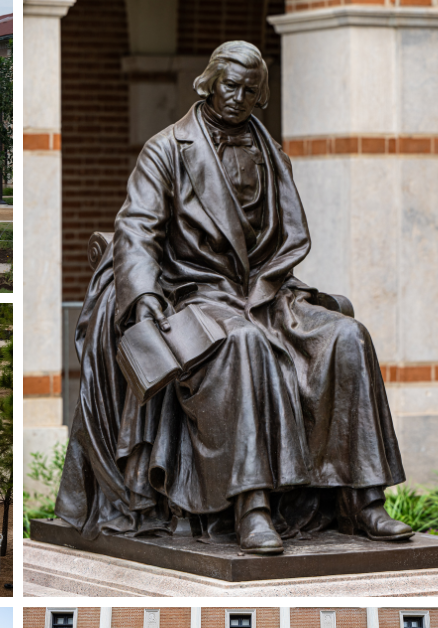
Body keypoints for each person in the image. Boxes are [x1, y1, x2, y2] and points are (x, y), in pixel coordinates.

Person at [57, 40, 410, 554]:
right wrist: (143, 299)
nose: (237, 97)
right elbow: (136, 231)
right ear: (208, 81)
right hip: (199, 296)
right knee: (243, 344)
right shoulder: (167, 149)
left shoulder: (271, 152)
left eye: (250, 89)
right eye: (230, 85)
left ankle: (363, 501)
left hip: (269, 293)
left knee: (347, 336)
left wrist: (283, 291)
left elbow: (281, 241)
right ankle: (253, 507)